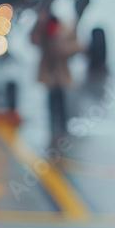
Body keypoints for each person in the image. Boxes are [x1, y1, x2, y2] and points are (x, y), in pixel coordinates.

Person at [30, 9, 84, 138]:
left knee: (62, 102)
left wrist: (60, 48)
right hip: (49, 73)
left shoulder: (65, 30)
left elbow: (77, 47)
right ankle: (55, 128)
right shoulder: (42, 31)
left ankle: (63, 128)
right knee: (52, 101)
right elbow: (33, 40)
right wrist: (39, 22)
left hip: (61, 74)